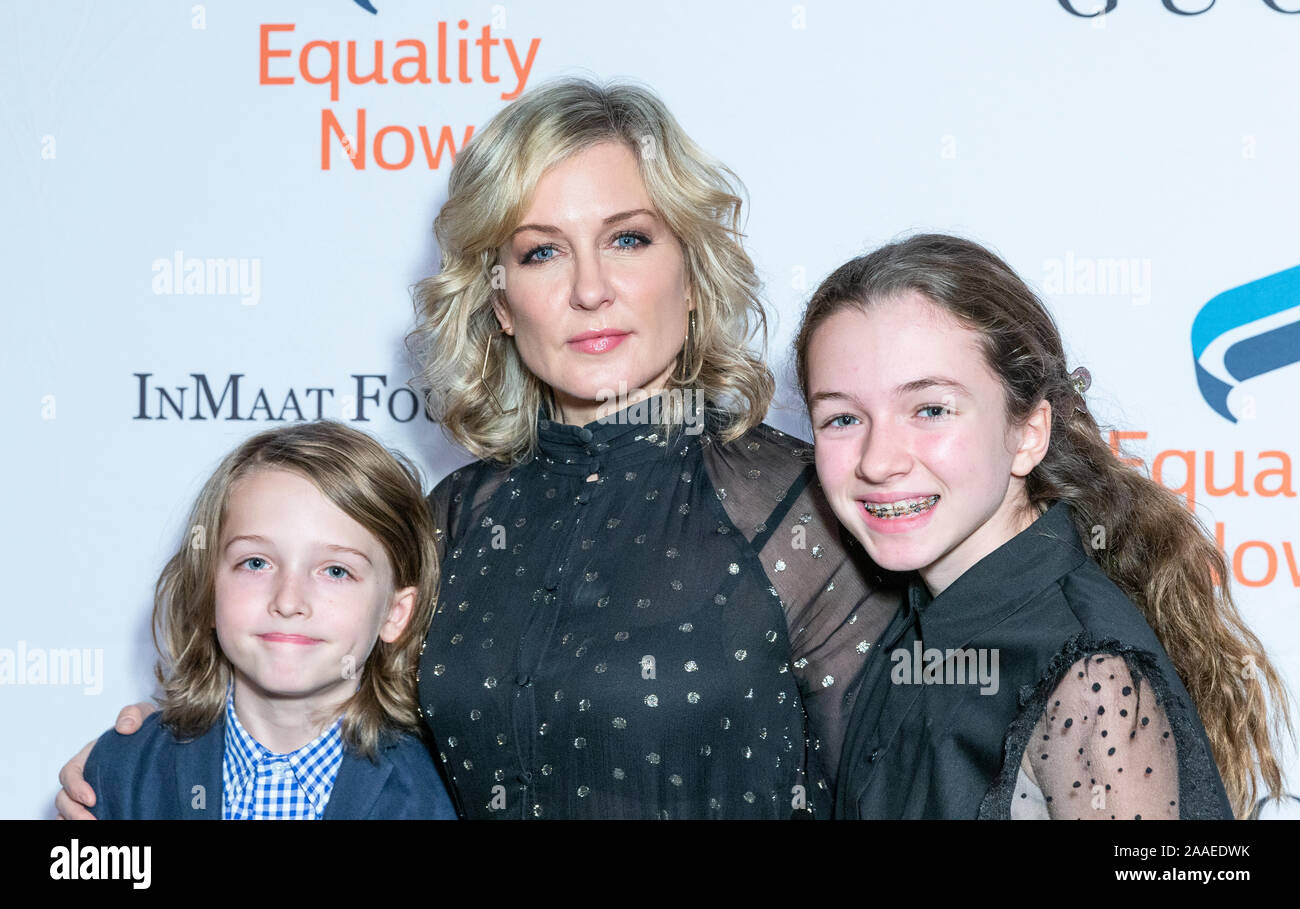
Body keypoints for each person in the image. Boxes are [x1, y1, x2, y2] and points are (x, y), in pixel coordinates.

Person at [57, 78, 901, 820]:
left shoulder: (802, 507)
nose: (590, 288)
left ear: (691, 271)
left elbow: (895, 784)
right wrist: (157, 761)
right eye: (541, 252)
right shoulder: (453, 518)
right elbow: (326, 723)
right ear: (499, 301)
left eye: (629, 238)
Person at [795, 233, 1292, 819]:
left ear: (1028, 433)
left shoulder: (1090, 680)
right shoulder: (911, 623)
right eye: (843, 418)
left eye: (931, 409)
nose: (878, 460)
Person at [81, 420, 456, 819]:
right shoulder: (122, 771)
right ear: (208, 591)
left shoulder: (443, 792)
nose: (288, 601)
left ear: (395, 613)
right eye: (255, 563)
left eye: (335, 571)